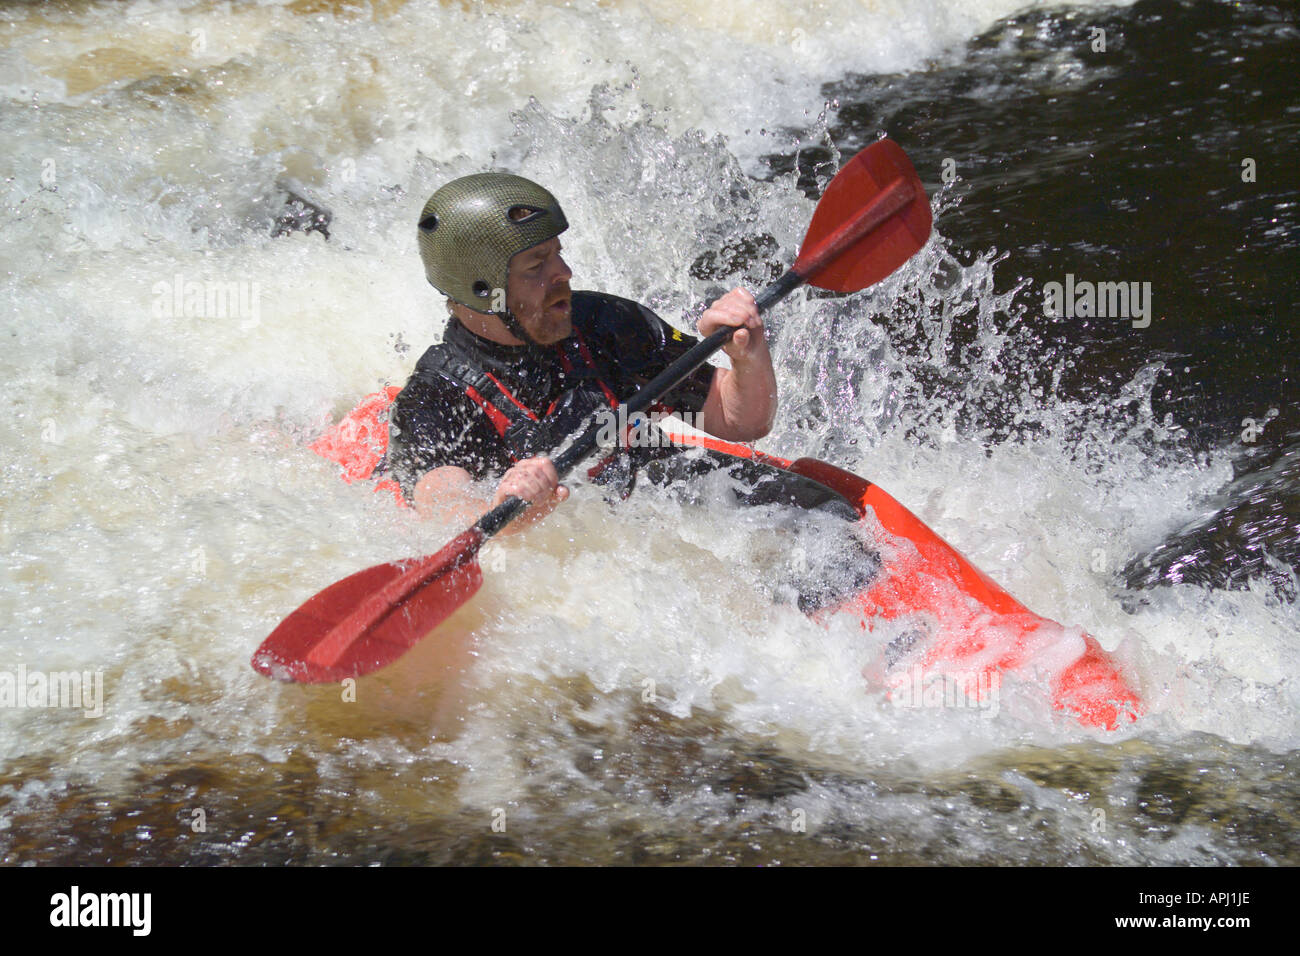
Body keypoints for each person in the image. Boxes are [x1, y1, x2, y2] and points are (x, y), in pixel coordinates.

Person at [386, 171, 856, 539]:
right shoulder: (436, 398)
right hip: (581, 547)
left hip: (652, 486)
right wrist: (509, 509)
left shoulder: (605, 323)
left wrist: (748, 356)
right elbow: (447, 513)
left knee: (831, 517)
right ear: (485, 292)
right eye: (537, 265)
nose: (564, 272)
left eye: (557, 254)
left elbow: (741, 423)